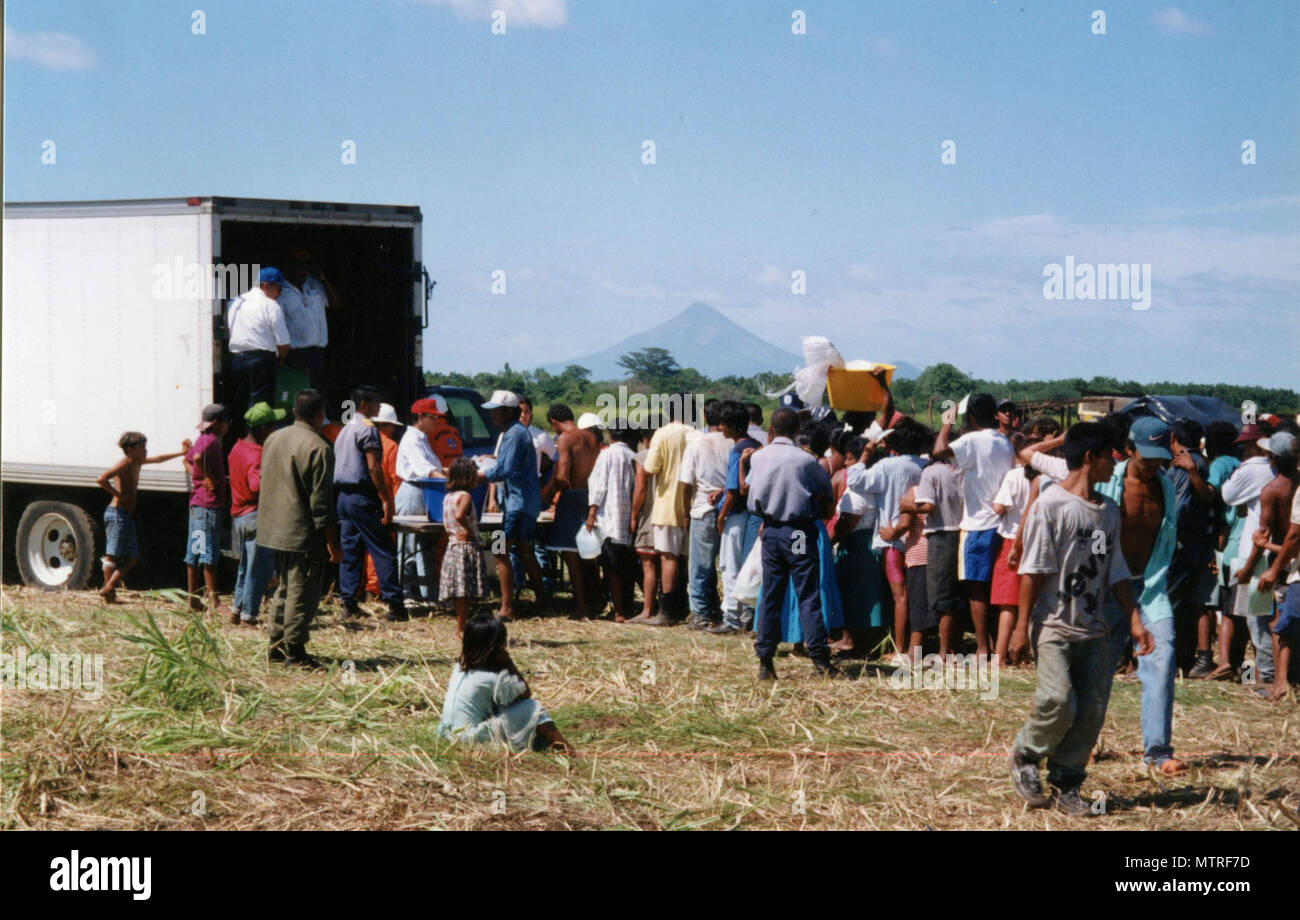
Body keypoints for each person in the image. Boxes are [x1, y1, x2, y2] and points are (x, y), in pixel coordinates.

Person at [1010, 423, 1153, 816]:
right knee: (1058, 700)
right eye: (1110, 456)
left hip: (1093, 628)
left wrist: (1134, 620)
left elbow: (1112, 568)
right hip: (1054, 625)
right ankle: (1025, 754)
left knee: (1091, 711)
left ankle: (1067, 784)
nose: (1115, 464)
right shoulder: (1051, 505)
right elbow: (1033, 570)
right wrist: (1021, 628)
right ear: (1091, 457)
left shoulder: (1106, 512)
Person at [1095, 417, 1184, 777]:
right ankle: (1081, 744)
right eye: (1146, 457)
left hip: (1151, 590)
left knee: (1162, 662)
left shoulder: (1167, 489)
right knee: (1096, 669)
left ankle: (1158, 752)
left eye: (1159, 458)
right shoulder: (1107, 483)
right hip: (1106, 588)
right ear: (1129, 450)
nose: (1152, 465)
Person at [746, 408, 841, 680]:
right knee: (807, 594)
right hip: (798, 532)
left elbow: (750, 492)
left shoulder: (759, 457)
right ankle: (820, 660)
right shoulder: (805, 460)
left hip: (772, 531)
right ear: (798, 430)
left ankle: (765, 659)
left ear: (771, 430)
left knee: (772, 594)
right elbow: (824, 492)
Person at [257, 389, 343, 667]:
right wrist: (332, 541)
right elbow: (321, 503)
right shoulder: (319, 446)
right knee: (301, 591)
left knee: (283, 588)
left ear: (294, 411)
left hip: (275, 529)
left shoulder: (274, 438)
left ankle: (277, 644)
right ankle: (294, 652)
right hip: (302, 533)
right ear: (320, 415)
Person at [932, 394, 1016, 657]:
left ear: (970, 419)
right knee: (991, 587)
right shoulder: (1004, 443)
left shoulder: (971, 440)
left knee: (975, 587)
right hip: (999, 523)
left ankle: (982, 647)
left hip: (977, 523)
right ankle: (991, 643)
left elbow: (938, 450)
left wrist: (947, 421)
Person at [846, 419, 928, 662]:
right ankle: (914, 644)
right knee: (915, 594)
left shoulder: (886, 466)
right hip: (918, 537)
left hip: (891, 537)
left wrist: (865, 455)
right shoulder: (925, 465)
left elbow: (855, 481)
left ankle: (901, 648)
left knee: (899, 596)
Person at [437, 614, 575, 754]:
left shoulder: (458, 669)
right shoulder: (491, 679)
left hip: (449, 734)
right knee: (532, 708)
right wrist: (508, 662)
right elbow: (525, 693)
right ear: (494, 649)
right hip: (470, 738)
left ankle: (540, 742)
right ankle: (564, 747)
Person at [1215, 427, 1280, 682]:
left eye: (1247, 445)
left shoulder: (1253, 468)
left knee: (1254, 618)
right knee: (1259, 617)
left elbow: (1227, 495)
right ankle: (1256, 675)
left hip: (1252, 552)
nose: (1244, 449)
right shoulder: (1277, 472)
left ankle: (1263, 676)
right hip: (1268, 551)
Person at [334, 386, 404, 622]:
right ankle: (395, 604)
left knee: (350, 550)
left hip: (343, 497)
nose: (378, 407)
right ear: (364, 405)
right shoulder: (367, 429)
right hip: (362, 496)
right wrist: (385, 498)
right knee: (382, 547)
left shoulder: (345, 429)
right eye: (375, 403)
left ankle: (348, 602)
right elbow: (374, 467)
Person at [96, 432, 190, 603]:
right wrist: (118, 494)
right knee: (112, 555)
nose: (146, 451)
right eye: (142, 448)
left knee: (133, 557)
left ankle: (109, 586)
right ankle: (109, 592)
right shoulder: (124, 464)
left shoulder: (136, 462)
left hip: (125, 515)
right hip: (117, 513)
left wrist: (181, 453)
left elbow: (158, 459)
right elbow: (101, 479)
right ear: (130, 449)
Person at [478, 390, 547, 619]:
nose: (492, 416)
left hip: (516, 504)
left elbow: (504, 470)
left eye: (495, 411)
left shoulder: (513, 434)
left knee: (499, 551)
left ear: (508, 411)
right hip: (525, 502)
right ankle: (543, 599)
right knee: (526, 551)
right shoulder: (517, 432)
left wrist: (478, 475)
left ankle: (506, 608)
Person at [1242, 431, 1299, 696]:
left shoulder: (1271, 491)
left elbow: (1262, 536)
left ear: (1272, 459)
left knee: (1278, 625)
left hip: (1281, 563)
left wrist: (1250, 568)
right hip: (1291, 559)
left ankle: (1277, 682)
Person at [228, 402, 286, 627]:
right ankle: (249, 617)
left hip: (239, 516)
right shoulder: (259, 454)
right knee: (259, 568)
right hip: (256, 515)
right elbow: (255, 485)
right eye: (273, 427)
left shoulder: (237, 448)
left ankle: (236, 610)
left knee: (245, 567)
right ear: (264, 429)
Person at [640, 395, 695, 625]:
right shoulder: (697, 435)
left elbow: (651, 467)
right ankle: (690, 607)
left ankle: (668, 611)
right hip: (692, 507)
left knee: (668, 558)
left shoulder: (661, 434)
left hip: (667, 507)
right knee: (688, 559)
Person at [542, 404, 602, 619]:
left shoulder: (566, 438)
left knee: (570, 555)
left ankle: (581, 606)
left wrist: (547, 495)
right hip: (590, 495)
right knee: (589, 554)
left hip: (572, 497)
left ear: (553, 422)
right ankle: (594, 600)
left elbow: (562, 476)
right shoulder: (592, 438)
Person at [679, 400, 733, 629]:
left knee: (700, 566)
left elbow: (685, 483)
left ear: (704, 416)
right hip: (730, 509)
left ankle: (700, 614)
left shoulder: (695, 444)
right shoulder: (733, 443)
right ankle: (727, 612)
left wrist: (685, 513)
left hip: (702, 509)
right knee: (728, 566)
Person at [832, 436, 886, 655]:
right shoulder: (876, 482)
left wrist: (829, 542)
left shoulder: (858, 488)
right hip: (867, 541)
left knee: (858, 595)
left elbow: (848, 521)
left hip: (857, 542)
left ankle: (858, 643)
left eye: (850, 459)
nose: (846, 464)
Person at [714, 403, 763, 634]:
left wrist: (722, 516)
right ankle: (745, 616)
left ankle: (731, 618)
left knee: (729, 565)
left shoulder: (738, 450)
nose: (720, 427)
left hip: (735, 514)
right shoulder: (755, 445)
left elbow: (734, 488)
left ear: (732, 426)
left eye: (723, 423)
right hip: (750, 514)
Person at [395, 397, 448, 602]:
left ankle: (427, 593)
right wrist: (450, 480)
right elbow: (425, 470)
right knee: (409, 543)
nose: (436, 422)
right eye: (432, 418)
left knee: (424, 544)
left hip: (426, 492)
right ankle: (406, 592)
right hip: (412, 490)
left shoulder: (423, 439)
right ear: (421, 417)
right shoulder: (411, 440)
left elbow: (434, 467)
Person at [912, 453, 965, 657]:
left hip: (941, 534)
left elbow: (928, 505)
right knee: (956, 593)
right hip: (961, 532)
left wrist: (909, 505)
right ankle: (954, 646)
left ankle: (944, 651)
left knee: (942, 596)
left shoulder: (931, 472)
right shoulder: (961, 470)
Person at [586, 424, 639, 622]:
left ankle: (618, 611)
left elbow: (598, 486)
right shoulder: (632, 455)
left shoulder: (607, 455)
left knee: (612, 567)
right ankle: (627, 605)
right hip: (627, 518)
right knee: (627, 566)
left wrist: (591, 512)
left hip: (608, 517)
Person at [182, 404, 232, 614]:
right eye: (226, 422)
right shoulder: (210, 441)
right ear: (219, 423)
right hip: (207, 505)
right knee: (208, 553)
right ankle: (214, 601)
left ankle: (193, 600)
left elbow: (187, 460)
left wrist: (200, 477)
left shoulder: (202, 439)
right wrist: (208, 477)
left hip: (198, 504)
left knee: (194, 552)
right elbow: (194, 458)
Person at [990, 437, 1034, 665]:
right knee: (1032, 601)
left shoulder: (1014, 476)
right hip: (1036, 541)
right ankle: (1024, 654)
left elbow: (999, 507)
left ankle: (999, 657)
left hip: (1011, 541)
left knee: (1008, 603)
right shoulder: (1046, 477)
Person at [1257, 467, 1300, 699]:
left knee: (1265, 629)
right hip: (1278, 567)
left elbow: (1293, 537)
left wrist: (1264, 567)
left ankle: (1259, 679)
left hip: (1255, 568)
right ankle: (1256, 678)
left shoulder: (1268, 491)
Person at [226, 268, 290, 416]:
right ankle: (257, 439)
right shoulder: (271, 306)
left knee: (239, 407)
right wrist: (280, 359)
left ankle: (240, 438)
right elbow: (284, 344)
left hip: (237, 360)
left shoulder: (234, 302)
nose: (279, 294)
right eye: (278, 289)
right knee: (261, 409)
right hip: (262, 362)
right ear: (266, 286)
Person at [440, 458, 490, 636]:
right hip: (465, 546)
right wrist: (469, 531)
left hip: (453, 545)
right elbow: (461, 515)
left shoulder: (448, 497)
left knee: (460, 588)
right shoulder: (465, 497)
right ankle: (461, 628)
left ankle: (463, 624)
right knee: (464, 591)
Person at [282, 249, 339, 387]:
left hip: (318, 353)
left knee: (319, 394)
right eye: (297, 265)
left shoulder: (315, 285)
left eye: (305, 264)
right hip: (296, 354)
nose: (301, 269)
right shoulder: (281, 291)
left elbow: (335, 305)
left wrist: (325, 281)